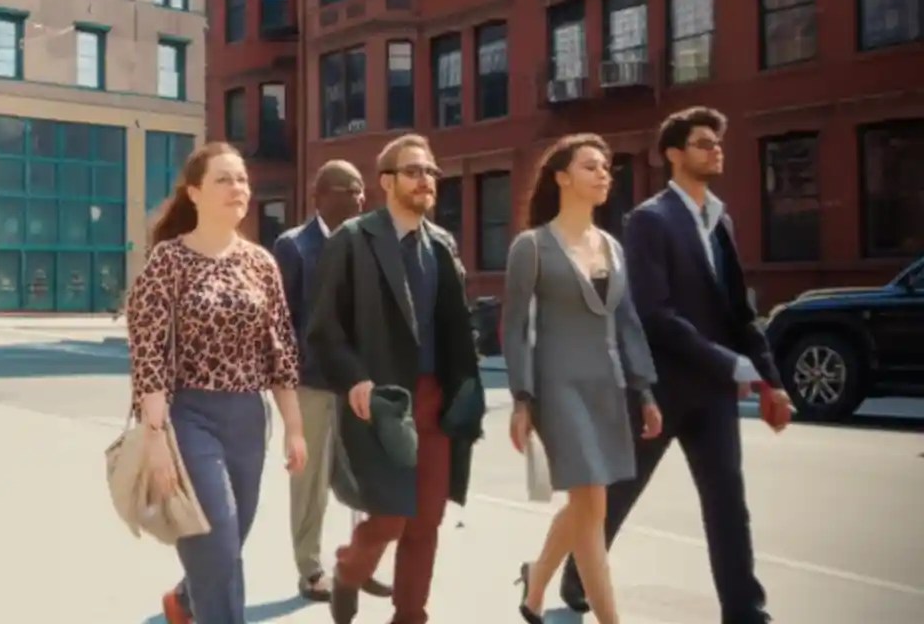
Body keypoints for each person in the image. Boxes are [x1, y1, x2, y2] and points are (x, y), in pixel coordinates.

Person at [559, 107, 793, 624]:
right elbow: (654, 313)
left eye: (718, 143)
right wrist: (732, 365)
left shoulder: (721, 219)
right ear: (673, 153)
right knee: (619, 493)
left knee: (728, 502)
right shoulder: (649, 219)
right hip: (658, 390)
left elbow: (738, 310)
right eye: (704, 143)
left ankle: (745, 611)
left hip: (712, 392)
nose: (716, 151)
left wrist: (771, 381)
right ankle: (578, 573)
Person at [125, 142, 309, 624]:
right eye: (224, 179)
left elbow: (281, 352)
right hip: (190, 415)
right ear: (194, 192)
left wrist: (294, 427)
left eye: (243, 179)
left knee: (227, 541)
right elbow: (148, 354)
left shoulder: (261, 264)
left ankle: (187, 600)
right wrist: (156, 435)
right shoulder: (169, 261)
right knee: (219, 535)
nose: (238, 189)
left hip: (248, 418)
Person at [307, 134, 486, 624]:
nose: (426, 179)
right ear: (386, 181)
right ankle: (348, 569)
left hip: (437, 399)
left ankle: (410, 616)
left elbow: (453, 322)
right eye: (414, 171)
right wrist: (355, 380)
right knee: (389, 516)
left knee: (426, 519)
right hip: (382, 401)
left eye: (431, 172)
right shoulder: (353, 239)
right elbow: (325, 330)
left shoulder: (443, 244)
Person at [501, 134, 662, 624]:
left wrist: (646, 392)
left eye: (607, 167)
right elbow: (514, 328)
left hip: (607, 387)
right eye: (591, 166)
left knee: (588, 504)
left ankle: (535, 584)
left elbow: (628, 322)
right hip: (557, 389)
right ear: (562, 177)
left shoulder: (612, 246)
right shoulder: (531, 246)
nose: (603, 174)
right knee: (592, 505)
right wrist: (522, 400)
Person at [272, 160, 395, 602]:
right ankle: (310, 570)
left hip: (356, 382)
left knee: (365, 479)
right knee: (311, 482)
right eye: (349, 190)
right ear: (320, 196)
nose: (360, 198)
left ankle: (357, 564)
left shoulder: (366, 243)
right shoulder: (294, 247)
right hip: (310, 382)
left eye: (362, 190)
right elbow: (281, 321)